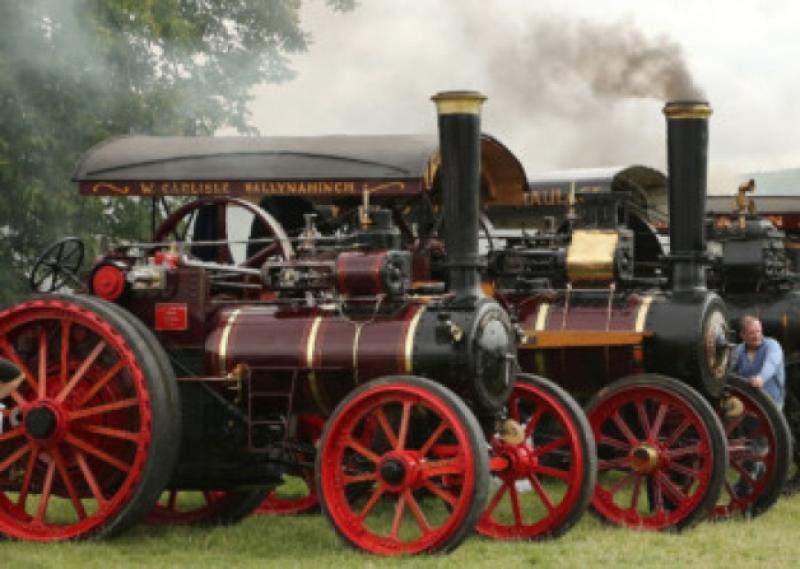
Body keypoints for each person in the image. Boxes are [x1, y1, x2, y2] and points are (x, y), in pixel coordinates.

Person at [732, 314, 786, 409]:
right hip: (749, 404)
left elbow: (772, 363)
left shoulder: (773, 346)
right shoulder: (738, 350)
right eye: (752, 333)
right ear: (742, 335)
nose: (757, 336)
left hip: (772, 404)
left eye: (758, 331)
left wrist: (761, 378)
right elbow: (730, 369)